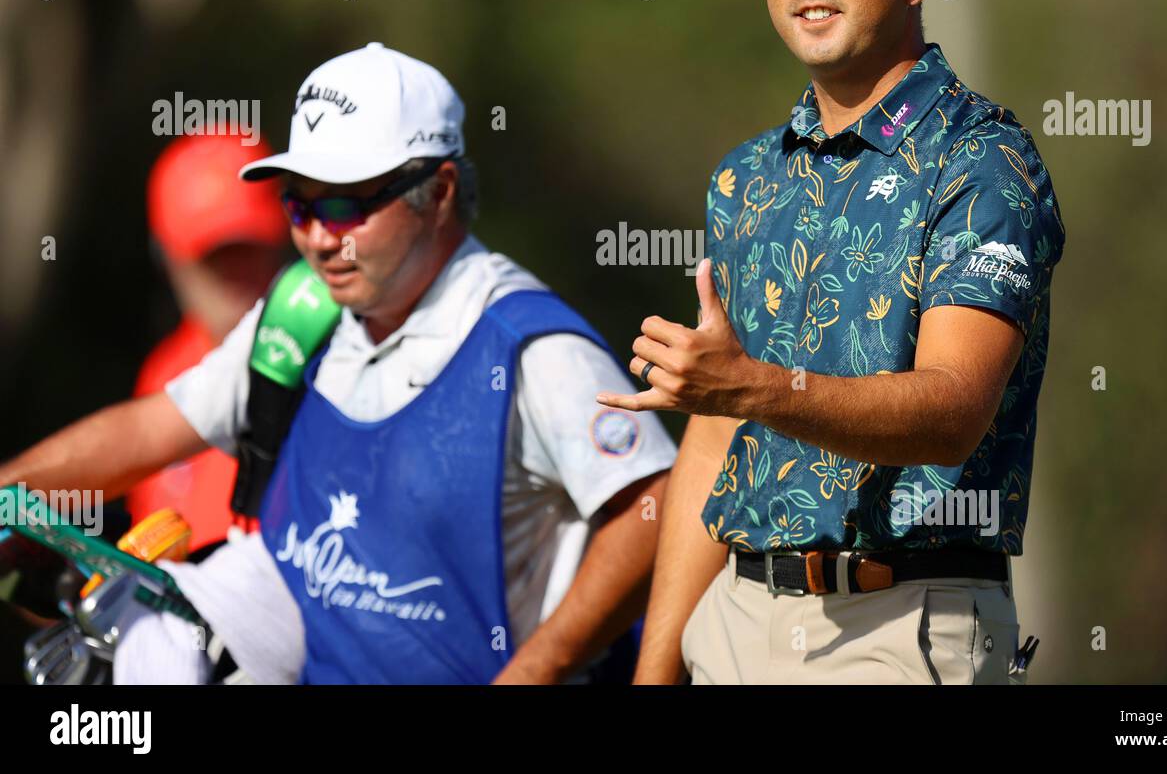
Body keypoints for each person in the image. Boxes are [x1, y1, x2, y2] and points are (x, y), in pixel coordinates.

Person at [1, 43, 674, 684]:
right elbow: (150, 431)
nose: (321, 237)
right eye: (300, 202)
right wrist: (9, 493)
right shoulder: (303, 310)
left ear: (438, 192)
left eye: (349, 205)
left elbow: (653, 508)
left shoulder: (530, 347)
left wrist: (536, 671)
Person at [598, 0, 1066, 684]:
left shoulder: (983, 163)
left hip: (899, 625)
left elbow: (952, 410)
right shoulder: (746, 175)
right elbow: (717, 434)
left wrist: (746, 387)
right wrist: (655, 668)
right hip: (733, 620)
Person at [130, 132, 288, 553]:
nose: (234, 274)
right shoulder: (163, 373)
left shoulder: (332, 362)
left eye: (246, 247)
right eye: (212, 256)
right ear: (166, 257)